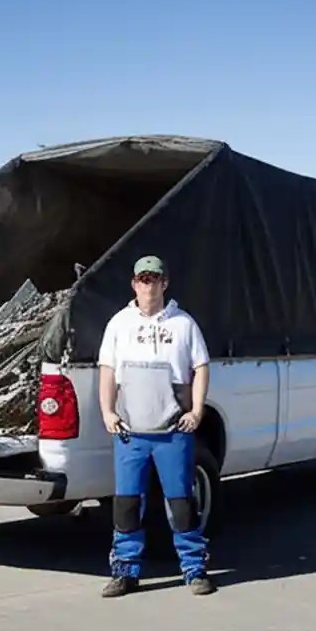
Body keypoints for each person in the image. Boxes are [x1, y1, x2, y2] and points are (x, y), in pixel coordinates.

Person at [97, 255, 216, 597]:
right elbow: (107, 370)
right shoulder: (119, 324)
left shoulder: (183, 324)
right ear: (134, 284)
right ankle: (125, 571)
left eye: (154, 279)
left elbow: (201, 367)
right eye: (142, 279)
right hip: (130, 433)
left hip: (173, 434)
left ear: (165, 283)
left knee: (181, 503)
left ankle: (194, 569)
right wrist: (107, 412)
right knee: (127, 504)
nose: (148, 285)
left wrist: (196, 410)